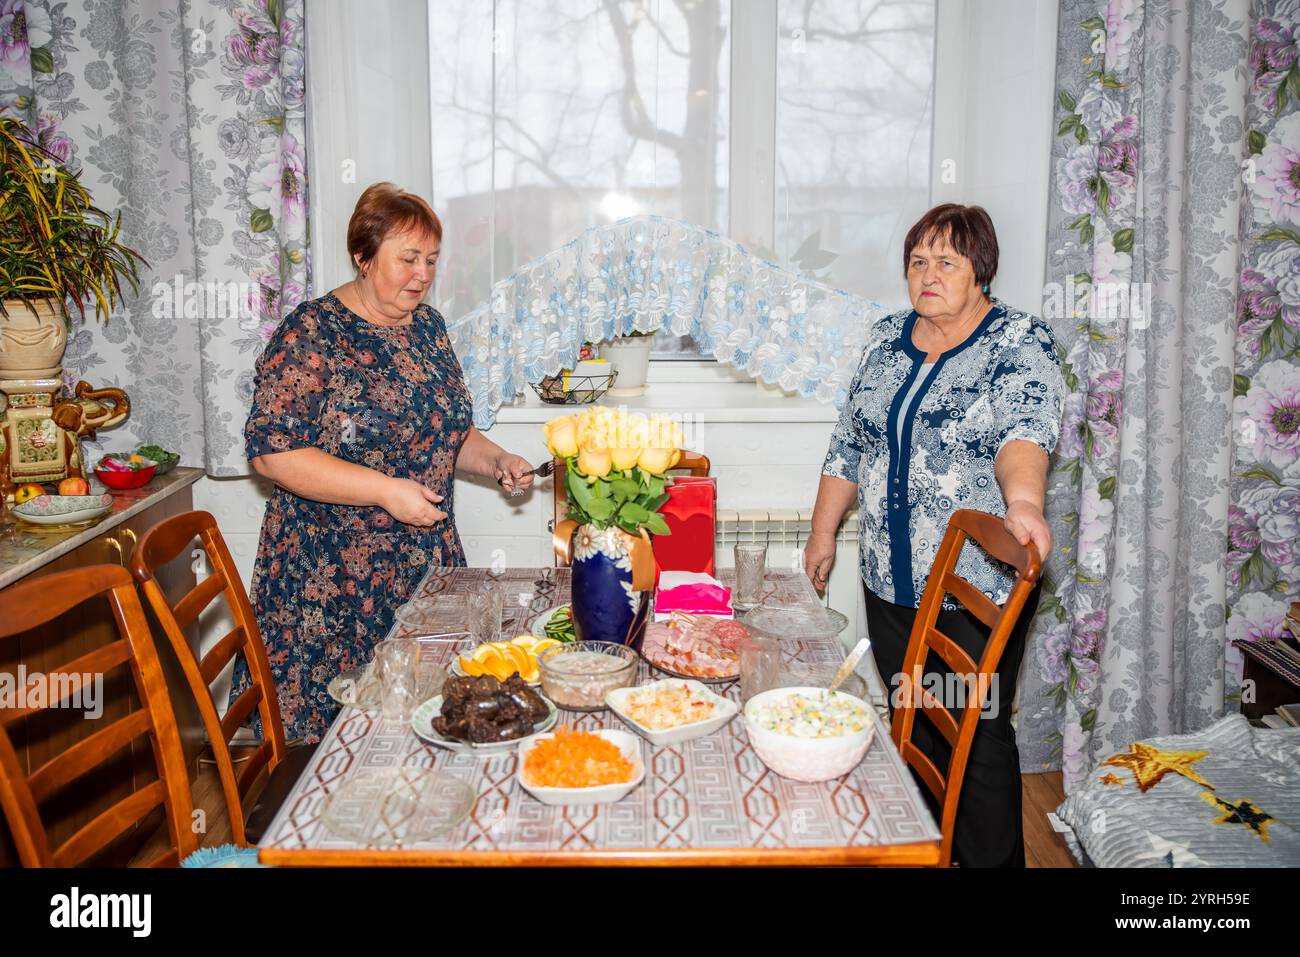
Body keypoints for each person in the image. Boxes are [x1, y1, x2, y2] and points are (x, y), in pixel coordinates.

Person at [804, 203, 1064, 867]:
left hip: (973, 586)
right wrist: (822, 533)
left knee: (973, 735)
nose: (929, 272)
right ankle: (929, 850)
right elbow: (848, 445)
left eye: (946, 260)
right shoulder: (884, 338)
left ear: (982, 270)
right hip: (889, 579)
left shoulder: (1017, 342)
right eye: (918, 260)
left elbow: (1022, 434)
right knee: (914, 723)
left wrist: (1026, 503)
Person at [237, 182, 535, 742]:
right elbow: (274, 454)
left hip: (423, 560)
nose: (421, 275)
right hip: (331, 576)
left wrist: (495, 458)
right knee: (343, 737)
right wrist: (383, 489)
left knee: (430, 721)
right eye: (407, 259)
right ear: (363, 255)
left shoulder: (428, 327)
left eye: (430, 260)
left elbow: (445, 432)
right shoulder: (312, 331)